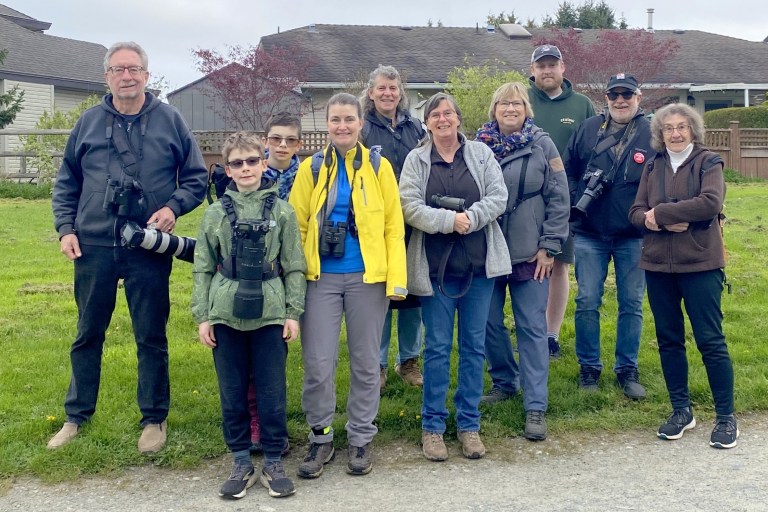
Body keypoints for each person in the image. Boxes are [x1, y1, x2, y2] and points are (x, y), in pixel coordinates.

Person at [48, 41, 207, 453]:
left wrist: (173, 208)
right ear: (107, 77)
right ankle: (75, 417)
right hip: (94, 244)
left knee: (150, 334)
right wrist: (66, 229)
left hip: (147, 246)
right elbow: (67, 182)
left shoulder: (170, 121)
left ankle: (154, 419)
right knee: (87, 333)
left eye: (134, 69)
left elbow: (195, 178)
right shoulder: (87, 123)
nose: (127, 76)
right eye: (118, 69)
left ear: (147, 75)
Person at [289, 92, 407, 478]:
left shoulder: (378, 165)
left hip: (367, 277)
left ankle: (360, 436)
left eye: (349, 120)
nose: (342, 126)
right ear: (327, 124)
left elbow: (393, 225)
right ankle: (321, 436)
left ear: (360, 123)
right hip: (320, 277)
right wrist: (295, 278)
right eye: (335, 120)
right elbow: (298, 225)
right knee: (319, 363)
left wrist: (397, 281)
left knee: (366, 362)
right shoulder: (310, 168)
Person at [192, 133, 306, 499]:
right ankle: (241, 460)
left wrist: (293, 313)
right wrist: (203, 316)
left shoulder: (283, 211)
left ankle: (273, 460)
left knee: (272, 390)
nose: (246, 169)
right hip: (225, 312)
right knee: (233, 390)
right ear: (228, 169)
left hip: (271, 311)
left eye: (252, 161)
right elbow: (203, 268)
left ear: (263, 162)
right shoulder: (214, 214)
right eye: (238, 163)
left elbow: (294, 266)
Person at [399, 92, 510, 462]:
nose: (442, 119)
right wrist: (449, 221)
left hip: (479, 268)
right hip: (434, 271)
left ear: (458, 119)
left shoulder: (480, 154)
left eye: (448, 113)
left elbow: (499, 195)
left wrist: (472, 218)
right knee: (437, 349)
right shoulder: (416, 160)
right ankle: (432, 427)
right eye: (435, 115)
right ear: (427, 122)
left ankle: (468, 424)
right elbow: (409, 205)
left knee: (474, 347)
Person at [629, 103, 738, 448]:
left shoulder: (709, 161)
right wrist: (650, 218)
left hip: (701, 264)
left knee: (710, 340)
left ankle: (725, 417)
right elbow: (634, 211)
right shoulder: (653, 165)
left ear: (693, 130)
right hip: (658, 264)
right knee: (669, 339)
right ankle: (681, 411)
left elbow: (710, 203)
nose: (675, 133)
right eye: (668, 128)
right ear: (660, 134)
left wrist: (658, 212)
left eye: (681, 127)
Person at [476, 82, 569, 440]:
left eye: (516, 103)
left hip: (532, 253)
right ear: (494, 108)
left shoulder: (543, 145)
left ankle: (535, 406)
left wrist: (550, 246)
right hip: (486, 251)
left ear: (526, 108)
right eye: (503, 103)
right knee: (487, 323)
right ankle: (505, 381)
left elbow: (560, 198)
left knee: (531, 327)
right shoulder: (477, 147)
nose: (510, 108)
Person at [564, 73, 651, 399]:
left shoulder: (650, 133)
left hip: (633, 234)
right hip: (589, 232)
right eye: (614, 94)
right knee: (587, 301)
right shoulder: (587, 129)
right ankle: (589, 368)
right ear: (606, 98)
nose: (620, 100)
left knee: (631, 303)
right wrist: (578, 199)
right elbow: (568, 169)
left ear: (638, 97)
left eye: (626, 94)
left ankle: (627, 369)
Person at [360, 64, 426, 392]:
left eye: (394, 88)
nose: (388, 93)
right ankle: (379, 364)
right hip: (376, 226)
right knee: (381, 296)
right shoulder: (362, 128)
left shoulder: (416, 127)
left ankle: (410, 360)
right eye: (382, 88)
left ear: (401, 92)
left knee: (413, 292)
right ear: (371, 92)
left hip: (413, 223)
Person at [528, 44, 596, 359]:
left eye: (552, 65)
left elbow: (593, 150)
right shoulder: (522, 101)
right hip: (525, 200)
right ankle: (530, 331)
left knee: (557, 266)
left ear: (562, 68)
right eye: (541, 66)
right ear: (533, 71)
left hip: (565, 201)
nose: (547, 70)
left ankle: (551, 335)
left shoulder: (581, 105)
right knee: (525, 266)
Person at [247, 111, 303, 454]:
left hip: (293, 264)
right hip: (256, 269)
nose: (282, 145)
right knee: (255, 349)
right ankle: (255, 419)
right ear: (266, 140)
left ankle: (278, 420)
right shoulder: (251, 171)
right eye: (276, 139)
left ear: (298, 144)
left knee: (277, 348)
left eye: (290, 140)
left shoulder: (309, 174)